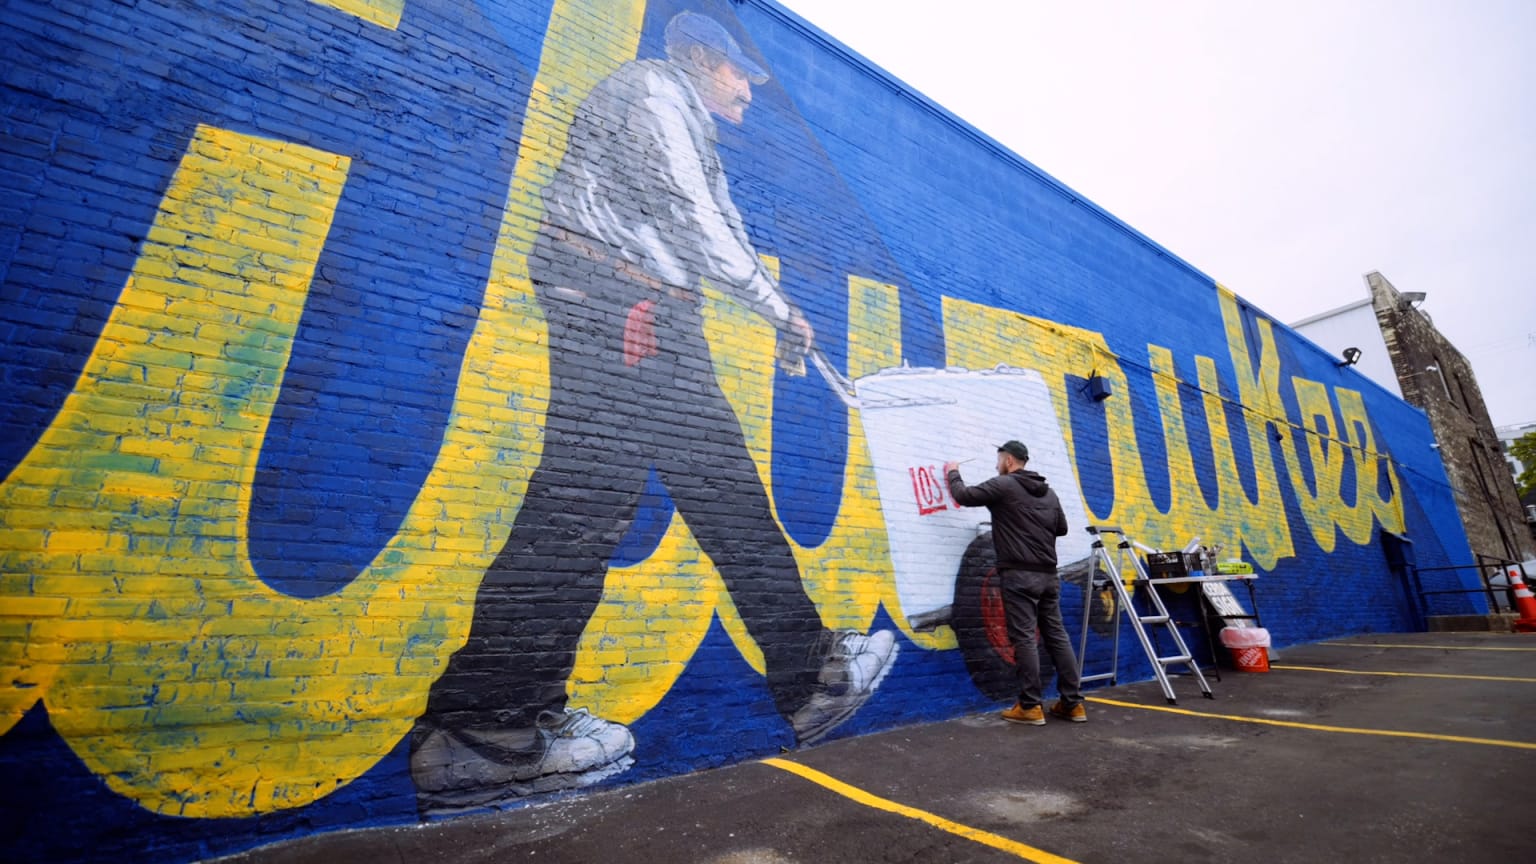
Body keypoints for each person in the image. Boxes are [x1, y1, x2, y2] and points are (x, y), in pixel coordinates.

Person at [408, 11, 898, 813]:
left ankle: (811, 679)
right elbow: (694, 219)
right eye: (741, 73)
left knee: (724, 491)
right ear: (702, 58)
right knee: (586, 497)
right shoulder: (649, 92)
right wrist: (773, 308)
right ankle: (482, 726)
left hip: (658, 307)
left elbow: (721, 219)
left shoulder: (692, 123)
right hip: (613, 296)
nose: (749, 88)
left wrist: (783, 316)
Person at [945, 441, 1085, 725]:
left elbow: (964, 495)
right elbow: (1062, 528)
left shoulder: (1004, 485)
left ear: (1009, 461)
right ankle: (1073, 704)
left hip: (1018, 575)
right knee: (1057, 636)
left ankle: (1030, 706)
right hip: (1048, 575)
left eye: (999, 460)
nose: (997, 465)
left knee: (1023, 637)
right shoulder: (1049, 493)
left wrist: (953, 472)